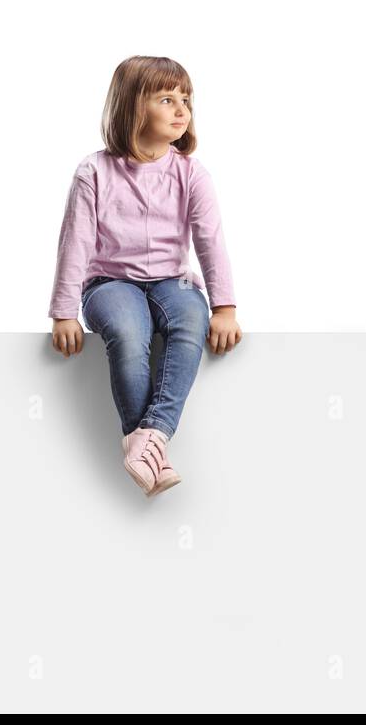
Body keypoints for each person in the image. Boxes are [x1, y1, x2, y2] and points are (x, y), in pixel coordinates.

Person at [48, 55, 243, 497]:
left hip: (172, 282)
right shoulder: (93, 172)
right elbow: (74, 243)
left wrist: (225, 306)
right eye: (167, 99)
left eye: (186, 101)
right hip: (109, 282)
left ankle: (148, 438)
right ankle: (151, 446)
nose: (182, 111)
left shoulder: (191, 173)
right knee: (128, 332)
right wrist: (64, 312)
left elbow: (210, 241)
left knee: (191, 322)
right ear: (134, 107)